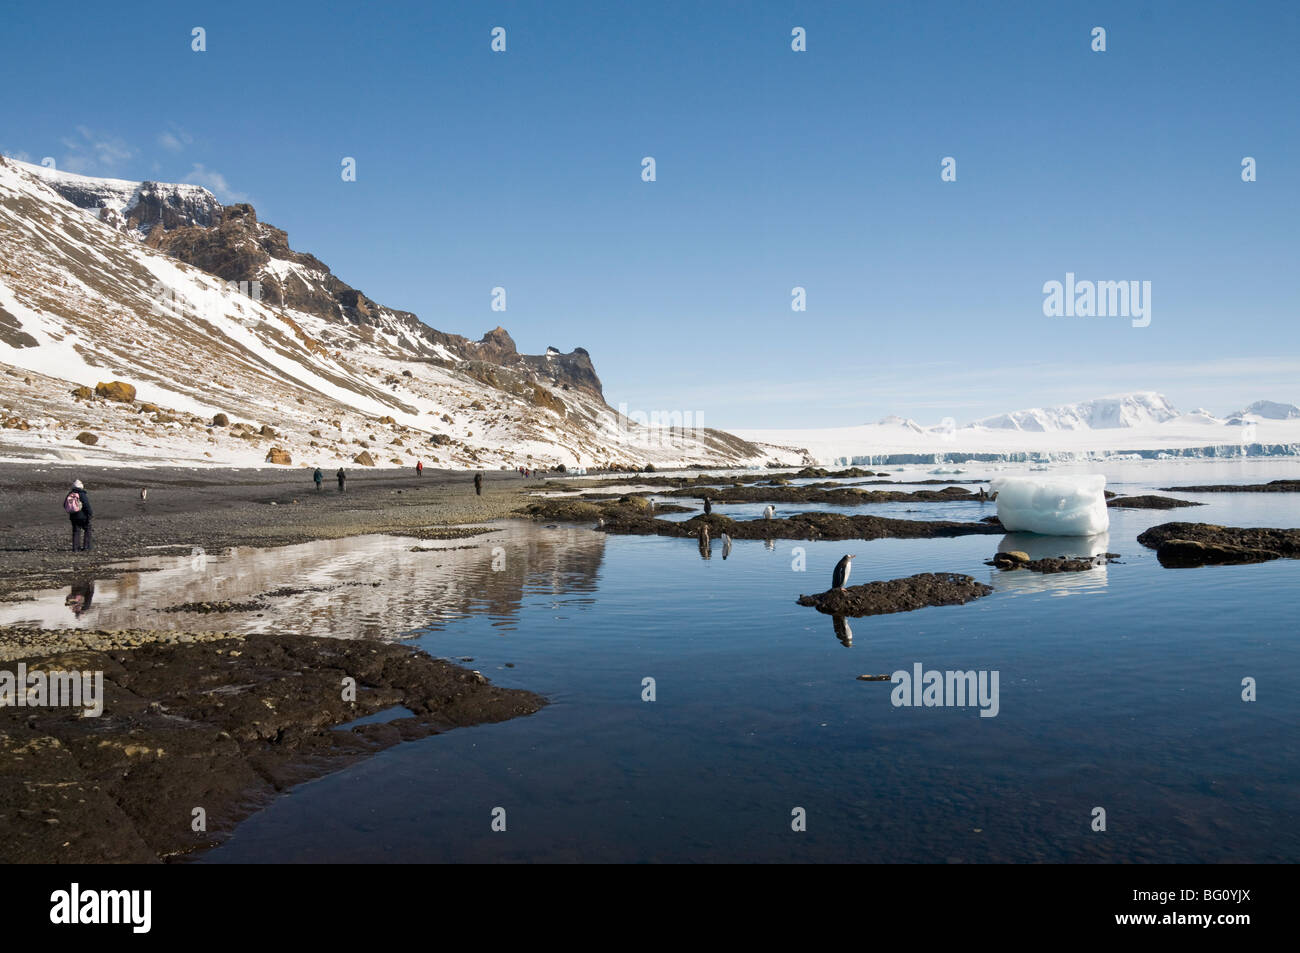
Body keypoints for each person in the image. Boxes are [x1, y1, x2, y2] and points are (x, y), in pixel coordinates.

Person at [64, 479, 92, 551]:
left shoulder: (70, 494)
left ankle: (75, 548)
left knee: (76, 531)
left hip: (73, 516)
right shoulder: (82, 494)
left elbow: (64, 504)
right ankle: (86, 547)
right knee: (87, 529)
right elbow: (86, 505)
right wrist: (90, 514)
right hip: (82, 516)